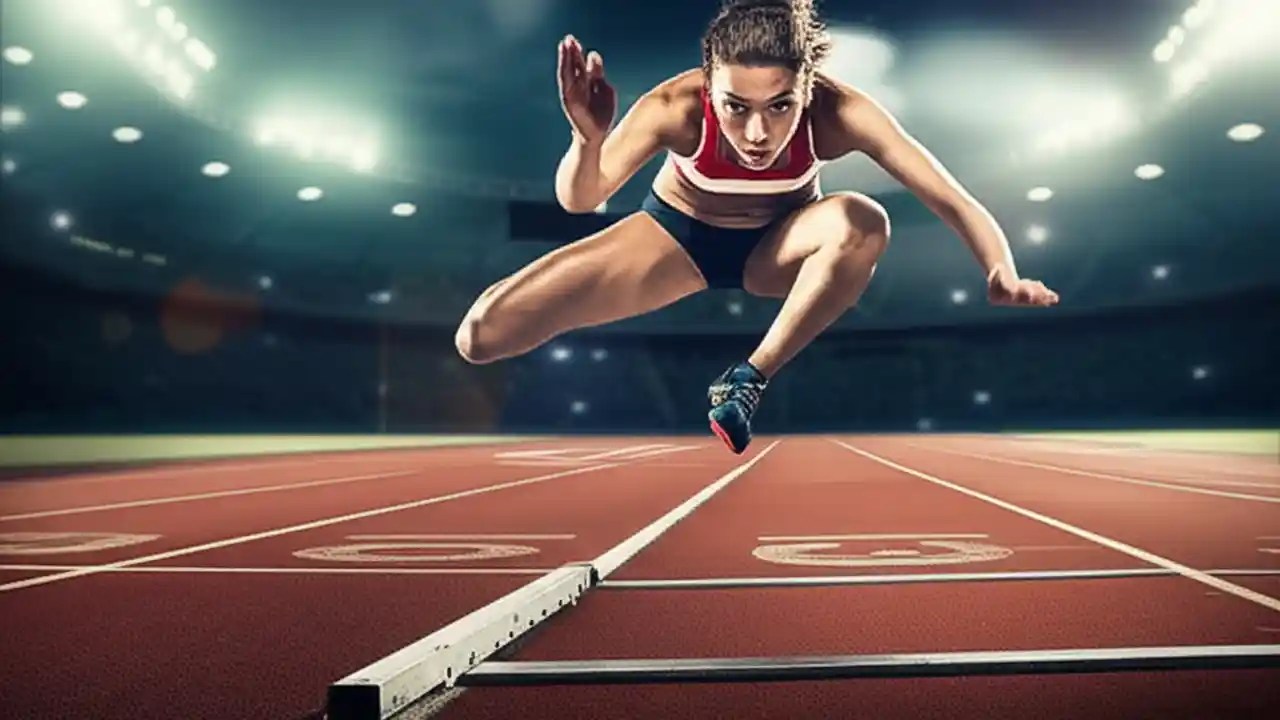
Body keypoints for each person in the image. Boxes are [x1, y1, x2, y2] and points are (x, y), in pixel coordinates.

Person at [454, 0, 1059, 454]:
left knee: (862, 219)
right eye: (735, 107)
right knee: (480, 336)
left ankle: (747, 379)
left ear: (806, 87)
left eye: (780, 107)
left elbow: (949, 197)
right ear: (709, 83)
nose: (757, 134)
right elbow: (581, 199)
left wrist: (1000, 270)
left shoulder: (839, 112)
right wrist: (587, 139)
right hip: (675, 240)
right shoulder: (674, 107)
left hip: (778, 246)